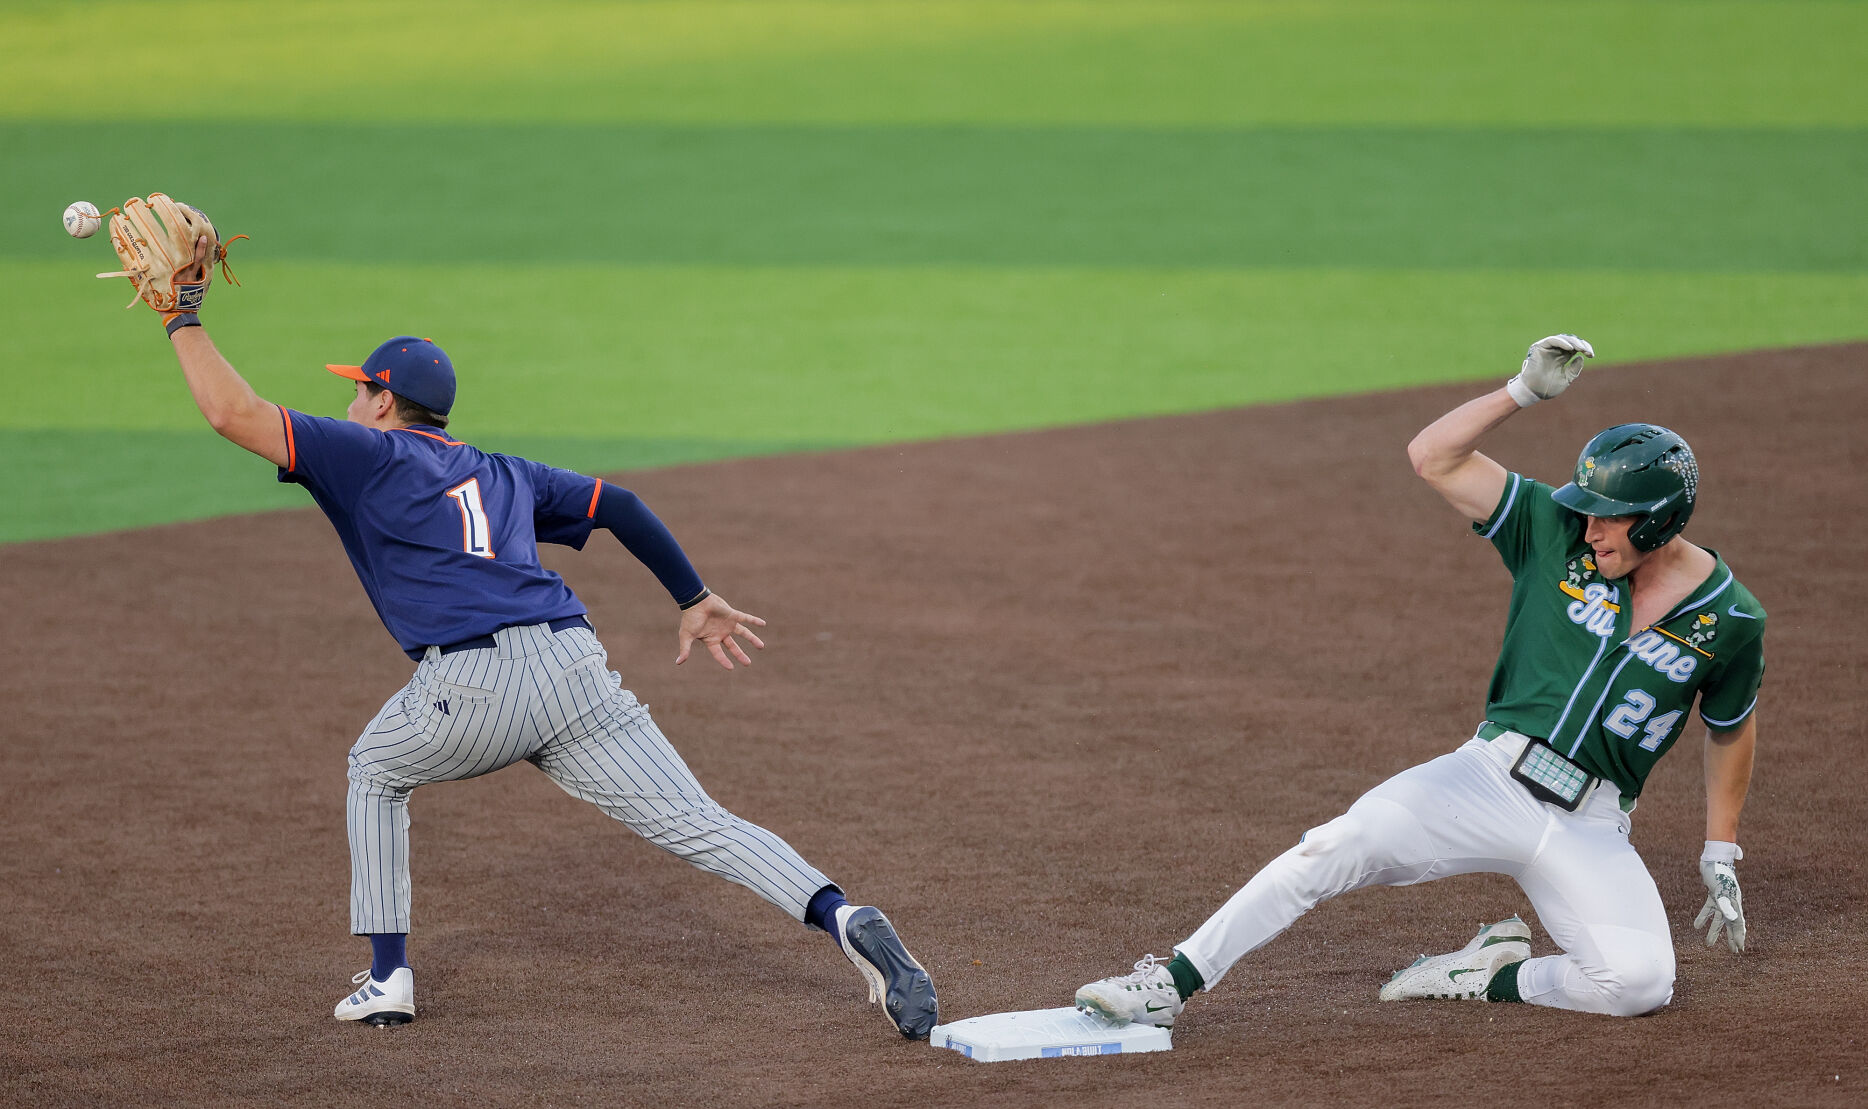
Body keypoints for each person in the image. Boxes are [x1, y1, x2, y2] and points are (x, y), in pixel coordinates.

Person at [148, 235, 938, 1036]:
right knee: (702, 822)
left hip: (473, 686)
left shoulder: (368, 452)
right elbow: (620, 503)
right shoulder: (505, 472)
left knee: (375, 770)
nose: (351, 404)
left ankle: (388, 976)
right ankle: (843, 915)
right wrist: (693, 596)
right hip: (574, 670)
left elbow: (231, 413)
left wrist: (182, 315)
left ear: (384, 401)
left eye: (358, 392)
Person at [1075, 335, 1762, 1025]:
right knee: (1339, 843)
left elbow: (1731, 727)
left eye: (1609, 516)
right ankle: (1172, 980)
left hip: (1590, 819)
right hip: (1488, 779)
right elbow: (1433, 457)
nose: (1589, 530)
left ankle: (1485, 972)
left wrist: (1719, 846)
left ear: (1663, 517)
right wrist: (1521, 392)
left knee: (1640, 985)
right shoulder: (1549, 529)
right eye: (1586, 509)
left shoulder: (1732, 618)